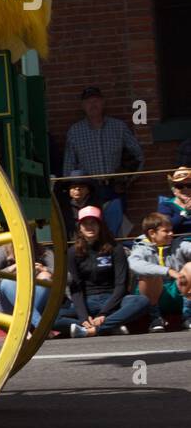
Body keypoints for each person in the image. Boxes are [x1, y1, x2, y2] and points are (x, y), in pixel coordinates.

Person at [53, 206, 148, 338]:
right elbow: (76, 288)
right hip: (88, 302)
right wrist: (84, 317)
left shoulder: (116, 249)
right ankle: (109, 326)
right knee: (52, 317)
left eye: (93, 223)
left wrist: (104, 313)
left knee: (141, 301)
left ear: (100, 225)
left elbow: (121, 285)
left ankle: (94, 330)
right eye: (85, 223)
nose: (89, 227)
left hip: (113, 299)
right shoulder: (72, 252)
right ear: (80, 227)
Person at [61, 86, 144, 236]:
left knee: (115, 231)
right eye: (88, 102)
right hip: (88, 190)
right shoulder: (75, 131)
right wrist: (74, 190)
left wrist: (128, 179)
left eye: (96, 101)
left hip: (114, 188)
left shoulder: (118, 127)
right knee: (90, 230)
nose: (93, 105)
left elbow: (138, 155)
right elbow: (68, 167)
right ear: (82, 106)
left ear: (103, 103)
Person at [129, 212, 191, 333]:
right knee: (149, 273)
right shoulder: (140, 248)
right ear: (152, 233)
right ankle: (155, 318)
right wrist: (168, 271)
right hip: (151, 297)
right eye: (166, 231)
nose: (171, 234)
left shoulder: (179, 244)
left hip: (179, 293)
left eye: (171, 230)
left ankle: (187, 315)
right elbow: (134, 264)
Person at [157, 166, 191, 234]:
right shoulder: (166, 205)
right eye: (180, 186)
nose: (185, 189)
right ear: (174, 189)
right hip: (181, 241)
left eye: (189, 185)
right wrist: (185, 212)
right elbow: (166, 228)